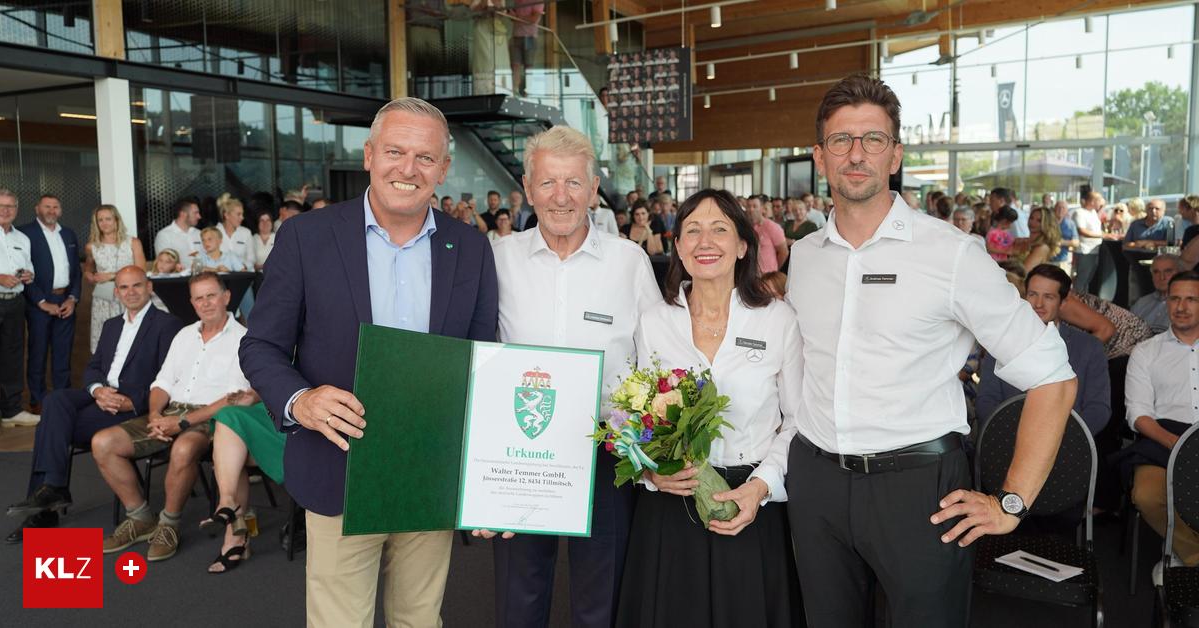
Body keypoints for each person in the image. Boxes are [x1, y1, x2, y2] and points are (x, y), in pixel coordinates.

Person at [785, 74, 1077, 628]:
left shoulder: (952, 254)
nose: (856, 154)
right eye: (841, 140)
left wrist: (1011, 501)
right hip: (817, 480)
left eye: (873, 139)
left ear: (895, 155)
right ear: (820, 156)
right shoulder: (805, 256)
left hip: (917, 488)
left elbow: (1054, 377)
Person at [239, 97, 498, 627]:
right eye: (395, 151)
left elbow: (483, 364)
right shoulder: (307, 237)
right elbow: (259, 346)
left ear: (444, 168)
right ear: (369, 155)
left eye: (425, 157)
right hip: (339, 468)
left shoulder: (471, 248)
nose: (409, 168)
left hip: (430, 472)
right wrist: (300, 400)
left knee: (419, 620)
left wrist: (492, 478)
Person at [485, 125, 661, 628]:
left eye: (573, 183)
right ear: (527, 187)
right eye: (547, 182)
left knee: (601, 599)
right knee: (519, 596)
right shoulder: (498, 259)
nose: (560, 196)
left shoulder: (629, 263)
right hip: (519, 453)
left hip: (607, 451)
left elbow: (656, 358)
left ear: (593, 188)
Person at [617, 189, 803, 626]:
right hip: (672, 505)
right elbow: (631, 417)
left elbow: (797, 421)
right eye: (693, 231)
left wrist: (761, 487)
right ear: (678, 246)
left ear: (742, 246)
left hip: (750, 505)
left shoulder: (777, 320)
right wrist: (649, 472)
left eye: (720, 229)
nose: (705, 242)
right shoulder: (654, 322)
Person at [4, 266, 182, 542]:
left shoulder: (167, 324)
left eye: (137, 285)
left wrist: (133, 403)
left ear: (149, 288)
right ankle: (52, 492)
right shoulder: (112, 325)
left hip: (131, 404)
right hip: (102, 395)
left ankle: (47, 503)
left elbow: (170, 378)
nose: (131, 292)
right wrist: (97, 390)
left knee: (50, 427)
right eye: (124, 287)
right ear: (116, 292)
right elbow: (94, 367)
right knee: (55, 400)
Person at [91, 272, 252, 561]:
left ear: (226, 297)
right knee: (103, 443)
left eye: (211, 296)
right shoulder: (184, 335)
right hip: (169, 411)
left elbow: (233, 399)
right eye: (199, 298)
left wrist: (183, 422)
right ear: (192, 303)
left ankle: (169, 524)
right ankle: (140, 517)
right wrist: (155, 414)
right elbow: (162, 383)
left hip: (212, 418)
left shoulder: (244, 339)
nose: (205, 303)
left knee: (183, 448)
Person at [1125, 271, 1199, 582]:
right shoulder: (1146, 351)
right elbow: (1138, 414)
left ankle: (1180, 554)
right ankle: (1191, 554)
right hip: (1163, 438)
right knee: (1146, 495)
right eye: (1175, 298)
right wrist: (1176, 445)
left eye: (1191, 299)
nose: (1181, 307)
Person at [977, 265, 1110, 435]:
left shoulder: (1089, 347)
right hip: (1006, 440)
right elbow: (986, 402)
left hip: (1068, 442)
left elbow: (1098, 409)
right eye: (1033, 294)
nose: (1038, 304)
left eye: (1048, 297)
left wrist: (1059, 439)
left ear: (1063, 302)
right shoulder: (1000, 343)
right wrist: (1014, 438)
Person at [203, 392, 284, 573]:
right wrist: (255, 395)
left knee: (231, 449)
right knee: (227, 416)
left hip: (306, 414)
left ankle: (234, 532)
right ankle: (227, 502)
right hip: (272, 406)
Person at [21, 194, 82, 416]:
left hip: (65, 300)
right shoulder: (24, 234)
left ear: (60, 210)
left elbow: (76, 271)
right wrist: (41, 302)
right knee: (38, 353)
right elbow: (22, 272)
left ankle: (62, 398)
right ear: (37, 208)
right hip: (38, 302)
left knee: (63, 353)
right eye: (47, 206)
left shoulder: (68, 234)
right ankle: (37, 400)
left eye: (55, 207)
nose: (51, 210)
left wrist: (72, 298)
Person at [83, 204, 146, 353]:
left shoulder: (133, 242)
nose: (104, 223)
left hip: (129, 296)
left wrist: (111, 276)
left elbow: (141, 272)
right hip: (103, 300)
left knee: (131, 340)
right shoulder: (91, 246)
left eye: (108, 219)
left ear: (116, 220)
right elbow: (88, 270)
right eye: (100, 220)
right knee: (105, 341)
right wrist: (91, 277)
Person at [0, 188, 38, 427]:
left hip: (15, 302)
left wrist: (28, 275)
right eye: (1, 205)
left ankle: (11, 411)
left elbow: (29, 268)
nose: (5, 210)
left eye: (10, 206)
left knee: (12, 358)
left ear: (16, 209)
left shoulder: (22, 238)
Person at [1071, 191, 1113, 293]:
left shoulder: (1093, 212)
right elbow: (1082, 231)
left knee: (1087, 280)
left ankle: (1084, 300)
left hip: (1094, 250)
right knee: (1081, 279)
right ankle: (1075, 300)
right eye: (1099, 200)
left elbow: (1096, 230)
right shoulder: (1079, 212)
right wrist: (1103, 235)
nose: (1101, 203)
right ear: (1092, 201)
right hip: (1084, 251)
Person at [1131, 254, 1185, 334]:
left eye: (1168, 271)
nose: (1162, 277)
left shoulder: (1188, 305)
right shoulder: (1141, 304)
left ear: (1181, 274)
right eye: (1156, 272)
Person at [746, 194, 787, 274]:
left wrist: (774, 272)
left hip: (767, 275)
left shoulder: (772, 227)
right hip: (750, 274)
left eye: (755, 206)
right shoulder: (745, 227)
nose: (751, 209)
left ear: (762, 208)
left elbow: (784, 252)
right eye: (748, 206)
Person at [1021, 206, 1061, 273]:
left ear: (1046, 223)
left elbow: (1023, 273)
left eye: (1039, 221)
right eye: (1031, 218)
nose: (1033, 222)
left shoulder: (1041, 247)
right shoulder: (1026, 241)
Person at [216, 194, 252, 266]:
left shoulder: (246, 233)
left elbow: (252, 259)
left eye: (242, 214)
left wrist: (242, 267)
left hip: (243, 272)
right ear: (226, 215)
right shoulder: (213, 232)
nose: (242, 217)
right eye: (238, 214)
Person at [1051, 200, 1078, 274]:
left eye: (1063, 208)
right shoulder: (1047, 222)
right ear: (1054, 209)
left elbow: (1076, 243)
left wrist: (1061, 242)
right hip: (1047, 260)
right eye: (1059, 207)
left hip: (1063, 261)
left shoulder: (1070, 224)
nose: (1060, 210)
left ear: (1066, 211)